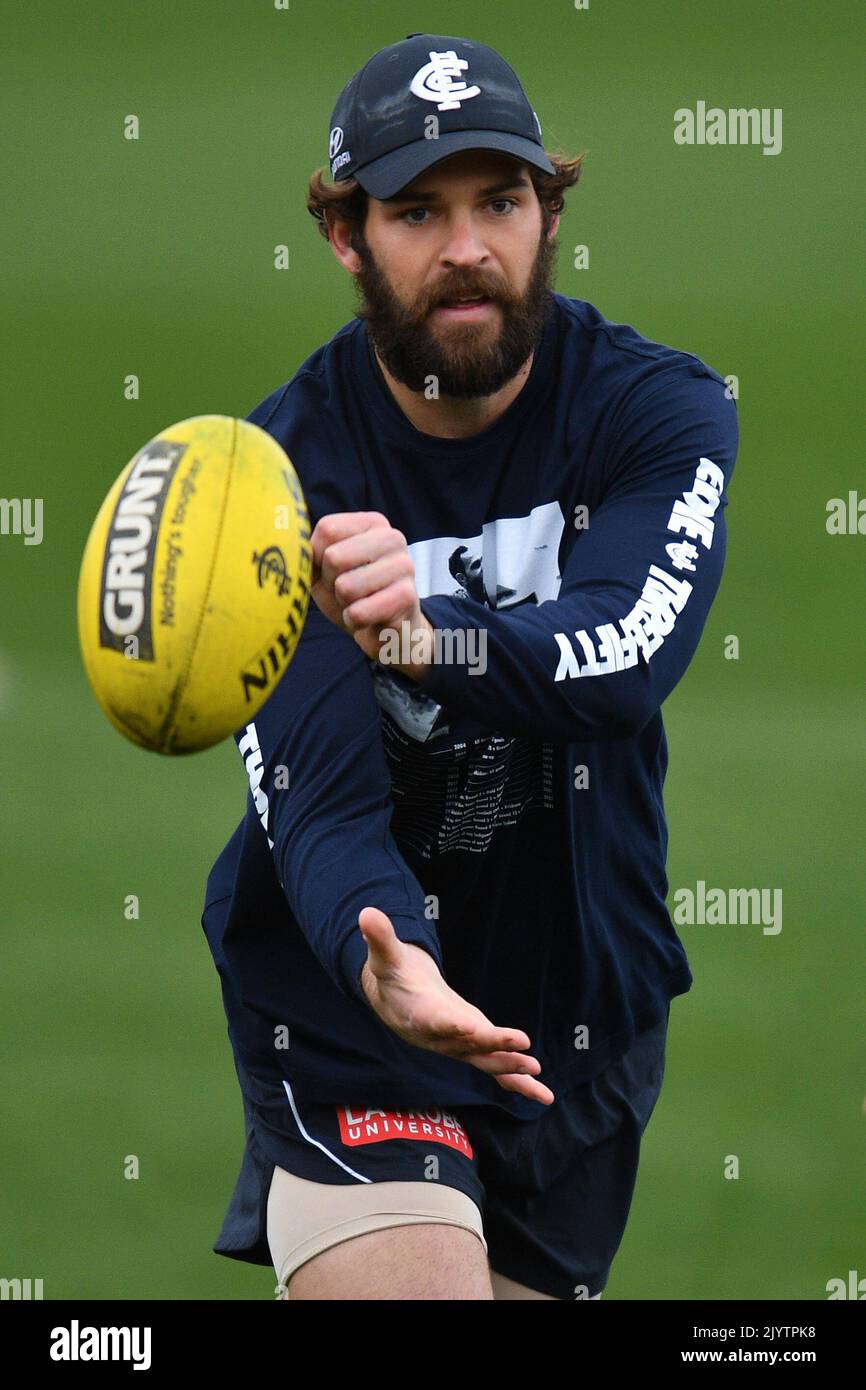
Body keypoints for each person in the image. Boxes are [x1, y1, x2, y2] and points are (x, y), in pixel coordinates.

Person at [201, 32, 739, 1301]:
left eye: (499, 202)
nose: (464, 248)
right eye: (415, 211)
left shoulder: (656, 411)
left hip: (575, 1008)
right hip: (356, 1008)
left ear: (547, 215)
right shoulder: (272, 488)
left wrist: (418, 634)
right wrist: (386, 956)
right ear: (345, 236)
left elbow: (620, 655)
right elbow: (319, 802)